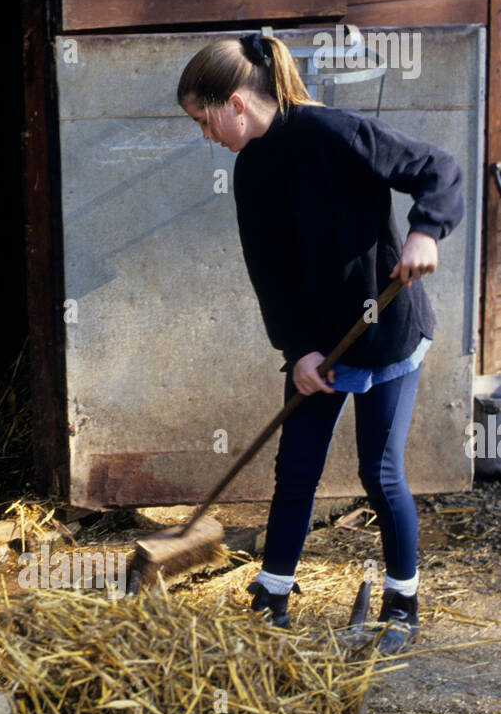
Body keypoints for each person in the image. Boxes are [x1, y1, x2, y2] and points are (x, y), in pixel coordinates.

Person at [177, 32, 464, 650]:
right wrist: (297, 351)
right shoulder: (251, 170)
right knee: (297, 467)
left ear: (235, 102)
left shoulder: (336, 132)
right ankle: (274, 592)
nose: (206, 135)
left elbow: (438, 168)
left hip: (385, 330)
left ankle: (402, 600)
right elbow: (270, 273)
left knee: (380, 473)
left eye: (204, 121)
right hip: (318, 346)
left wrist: (425, 233)